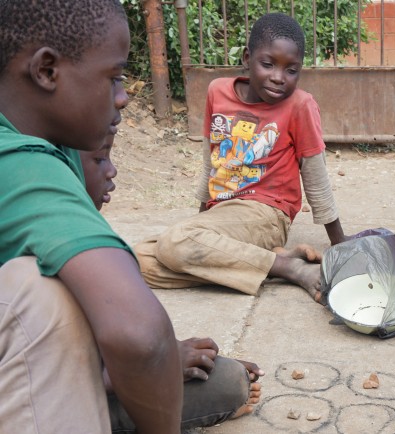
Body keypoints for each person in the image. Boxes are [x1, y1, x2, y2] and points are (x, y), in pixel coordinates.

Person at [0, 1, 256, 432]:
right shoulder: (18, 164)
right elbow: (138, 334)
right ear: (46, 71)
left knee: (222, 380)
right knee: (46, 295)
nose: (123, 96)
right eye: (114, 77)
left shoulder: (51, 139)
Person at [134, 12, 346, 303]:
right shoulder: (217, 92)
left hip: (266, 214)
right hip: (223, 212)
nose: (278, 77)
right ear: (248, 58)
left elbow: (315, 175)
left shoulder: (300, 105)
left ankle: (290, 267)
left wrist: (339, 241)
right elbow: (211, 159)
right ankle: (271, 264)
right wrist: (202, 220)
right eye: (268, 64)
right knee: (137, 261)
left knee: (174, 244)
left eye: (291, 70)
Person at [79, 136, 264, 431]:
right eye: (100, 159)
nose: (112, 171)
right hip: (51, 406)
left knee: (225, 377)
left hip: (95, 370)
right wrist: (156, 366)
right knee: (229, 384)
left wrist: (172, 355)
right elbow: (37, 385)